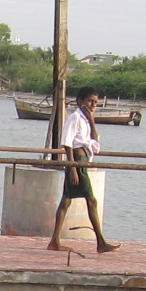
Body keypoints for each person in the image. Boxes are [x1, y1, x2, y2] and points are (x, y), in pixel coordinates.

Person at [47, 87, 119, 253]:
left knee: (66, 200)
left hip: (83, 161)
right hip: (77, 162)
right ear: (79, 101)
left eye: (95, 103)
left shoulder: (86, 120)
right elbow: (67, 144)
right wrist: (72, 168)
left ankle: (54, 241)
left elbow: (95, 143)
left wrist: (92, 121)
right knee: (91, 200)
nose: (93, 105)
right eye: (89, 101)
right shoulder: (74, 118)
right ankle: (100, 242)